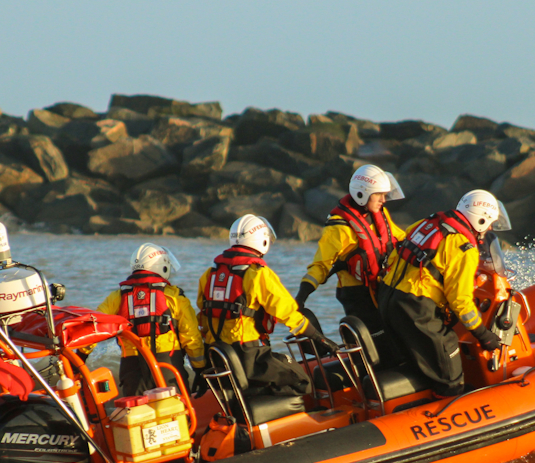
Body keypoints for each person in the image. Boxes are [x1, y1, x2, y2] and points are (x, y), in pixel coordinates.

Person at [378, 189, 510, 397]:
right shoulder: (464, 247)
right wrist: (484, 336)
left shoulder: (428, 222)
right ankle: (449, 407)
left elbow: (400, 250)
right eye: (490, 221)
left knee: (414, 361)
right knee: (449, 370)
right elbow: (461, 303)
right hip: (415, 308)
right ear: (481, 220)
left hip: (387, 296)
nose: (491, 226)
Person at [198, 214, 337, 396]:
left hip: (217, 356)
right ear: (261, 240)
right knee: (301, 379)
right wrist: (320, 339)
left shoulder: (210, 274)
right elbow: (289, 313)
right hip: (250, 357)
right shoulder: (259, 274)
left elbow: (201, 316)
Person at [294, 164, 405, 361]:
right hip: (358, 298)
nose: (383, 199)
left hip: (382, 289)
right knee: (380, 348)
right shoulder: (339, 228)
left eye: (384, 194)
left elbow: (400, 237)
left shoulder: (379, 214)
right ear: (362, 193)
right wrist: (301, 297)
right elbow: (320, 265)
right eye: (378, 194)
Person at [96, 243, 205, 396]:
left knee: (136, 414)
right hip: (168, 366)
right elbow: (191, 337)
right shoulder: (175, 297)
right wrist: (200, 368)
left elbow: (93, 325)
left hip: (132, 369)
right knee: (178, 414)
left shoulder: (117, 297)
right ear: (163, 267)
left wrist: (81, 355)